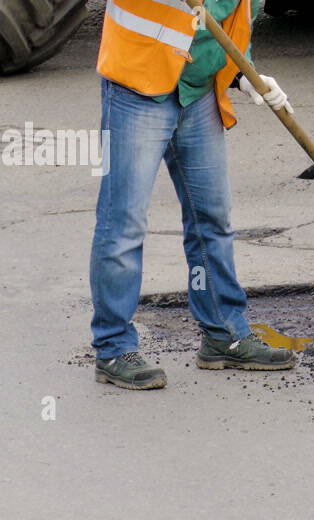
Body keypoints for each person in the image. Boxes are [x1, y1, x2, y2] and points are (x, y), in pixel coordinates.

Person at [91, 0, 296, 390]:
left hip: (198, 91)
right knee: (124, 224)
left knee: (212, 219)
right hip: (139, 86)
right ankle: (114, 347)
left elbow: (235, 18)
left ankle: (224, 334)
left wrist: (243, 74)